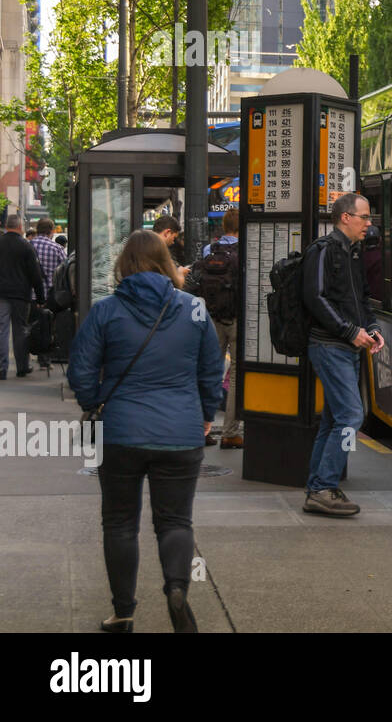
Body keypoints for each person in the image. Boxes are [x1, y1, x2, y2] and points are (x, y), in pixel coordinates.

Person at [68, 230, 223, 633]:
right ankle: (176, 588)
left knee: (119, 523)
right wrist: (205, 414)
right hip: (181, 431)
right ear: (166, 263)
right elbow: (211, 370)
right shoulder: (193, 309)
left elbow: (80, 370)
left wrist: (94, 402)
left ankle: (123, 612)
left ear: (124, 265)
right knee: (175, 521)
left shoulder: (106, 311)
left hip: (120, 431)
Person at [301, 193, 384, 517]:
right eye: (364, 217)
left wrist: (371, 327)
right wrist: (351, 331)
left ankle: (318, 487)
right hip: (330, 346)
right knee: (352, 416)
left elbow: (361, 297)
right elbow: (315, 297)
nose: (369, 223)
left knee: (335, 419)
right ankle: (323, 487)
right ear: (345, 217)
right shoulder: (323, 250)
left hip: (344, 347)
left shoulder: (351, 252)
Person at [185, 208, 242, 449]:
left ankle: (202, 429)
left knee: (210, 372)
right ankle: (230, 432)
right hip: (238, 320)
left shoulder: (211, 251)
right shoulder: (245, 250)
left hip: (212, 319)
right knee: (237, 376)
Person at [0, 214, 44, 379]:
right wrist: (40, 298)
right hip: (20, 295)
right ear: (19, 227)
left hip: (1, 294)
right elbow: (35, 274)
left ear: (6, 226)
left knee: (1, 330)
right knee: (20, 331)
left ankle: (1, 368)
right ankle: (22, 367)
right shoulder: (26, 246)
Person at [30, 218, 66, 369]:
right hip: (49, 295)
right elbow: (64, 269)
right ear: (51, 231)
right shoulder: (56, 248)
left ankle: (27, 355)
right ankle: (44, 360)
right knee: (47, 326)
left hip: (29, 295)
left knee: (29, 326)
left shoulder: (28, 245)